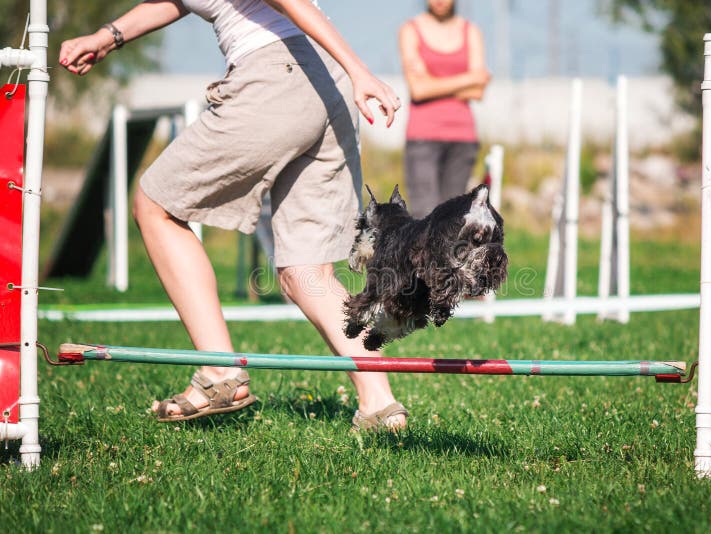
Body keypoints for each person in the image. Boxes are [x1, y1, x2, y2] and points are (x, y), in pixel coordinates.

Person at [59, 0, 407, 430]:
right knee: (307, 270)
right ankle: (379, 405)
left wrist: (360, 69)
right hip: (326, 82)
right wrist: (109, 36)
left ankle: (220, 374)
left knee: (156, 206)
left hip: (280, 74)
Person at [399, 0, 490, 218]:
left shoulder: (471, 32)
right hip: (422, 137)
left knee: (454, 218)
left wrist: (433, 82)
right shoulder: (410, 30)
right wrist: (469, 78)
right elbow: (418, 90)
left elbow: (478, 91)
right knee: (424, 216)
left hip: (463, 139)